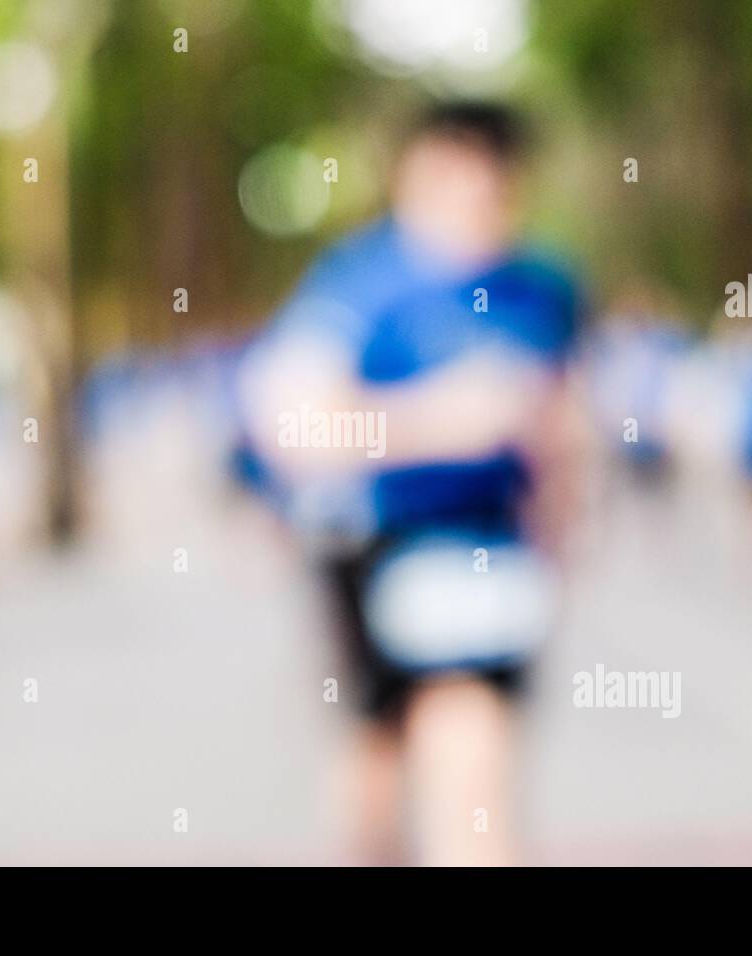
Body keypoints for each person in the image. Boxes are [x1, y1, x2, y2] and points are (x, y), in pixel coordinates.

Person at [235, 102, 586, 865]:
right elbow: (288, 424)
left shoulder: (544, 289)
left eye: (494, 180)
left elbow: (564, 423)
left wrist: (561, 528)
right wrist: (435, 421)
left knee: (474, 759)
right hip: (371, 546)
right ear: (414, 177)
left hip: (487, 559)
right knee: (376, 765)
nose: (477, 198)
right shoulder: (358, 284)